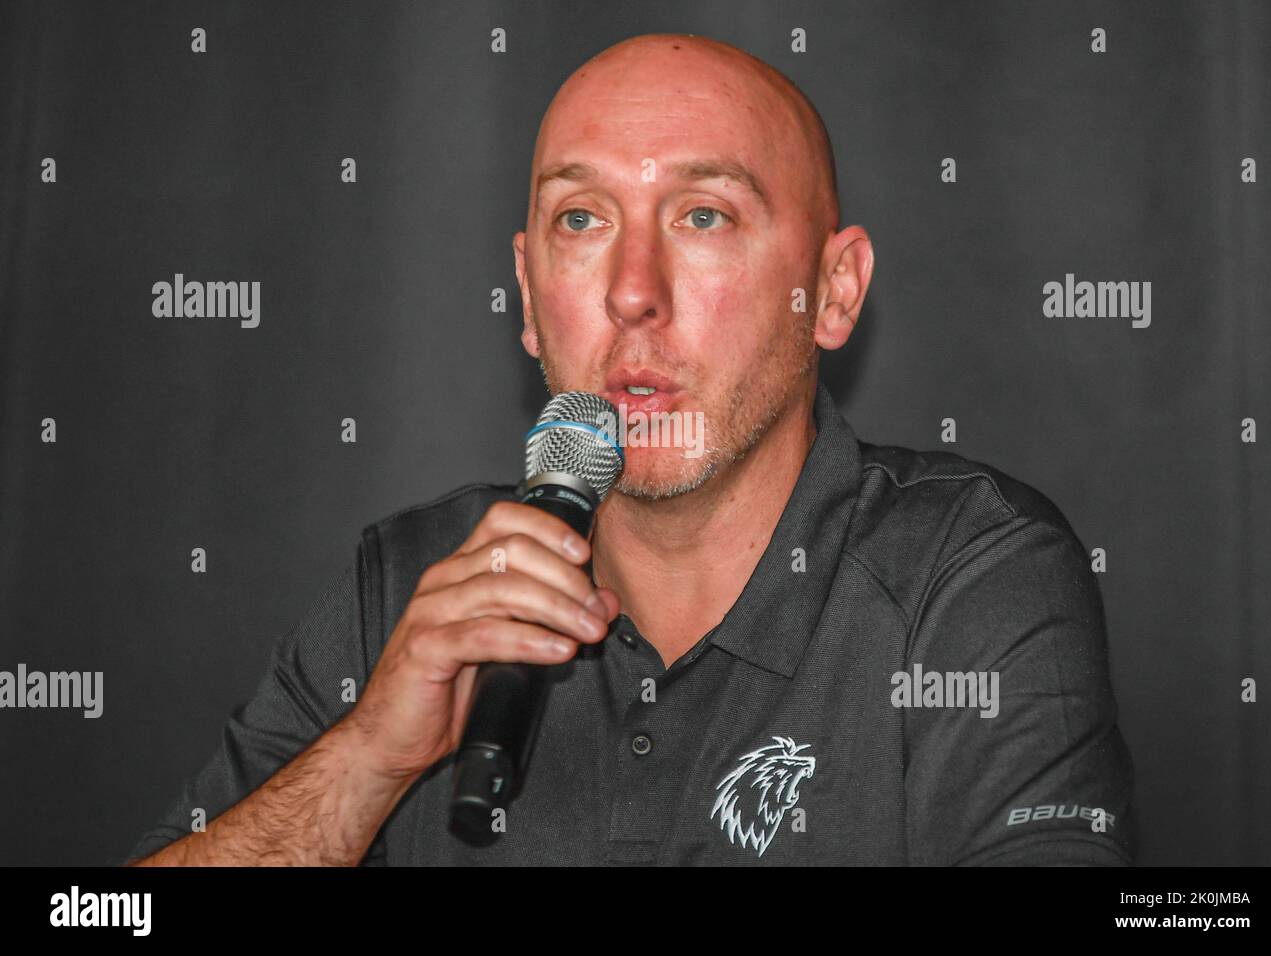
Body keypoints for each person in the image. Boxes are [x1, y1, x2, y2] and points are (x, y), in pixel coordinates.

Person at [126, 33, 1134, 866]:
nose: (631, 288)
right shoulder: (410, 583)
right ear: (527, 297)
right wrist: (366, 759)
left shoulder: (967, 573)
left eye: (702, 215)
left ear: (832, 290)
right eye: (582, 218)